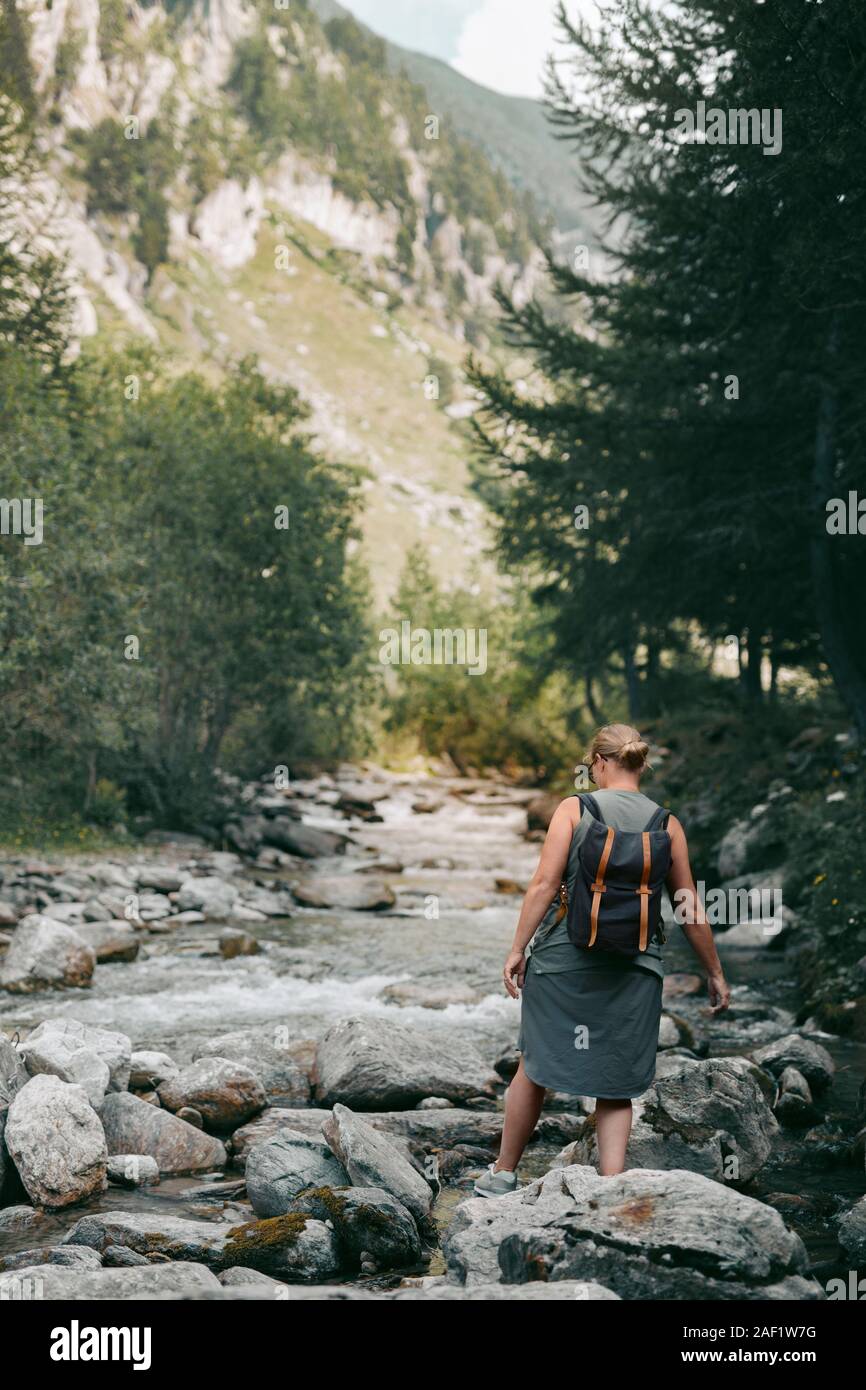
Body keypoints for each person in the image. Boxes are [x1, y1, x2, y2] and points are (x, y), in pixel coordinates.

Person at [474, 723, 731, 1196]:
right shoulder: (666, 823)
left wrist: (516, 950)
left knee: (534, 1065)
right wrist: (713, 971)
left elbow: (544, 885)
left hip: (561, 961)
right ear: (639, 763)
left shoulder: (575, 808)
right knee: (616, 1079)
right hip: (635, 968)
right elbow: (688, 905)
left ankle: (503, 1174)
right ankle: (611, 1187)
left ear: (598, 762)